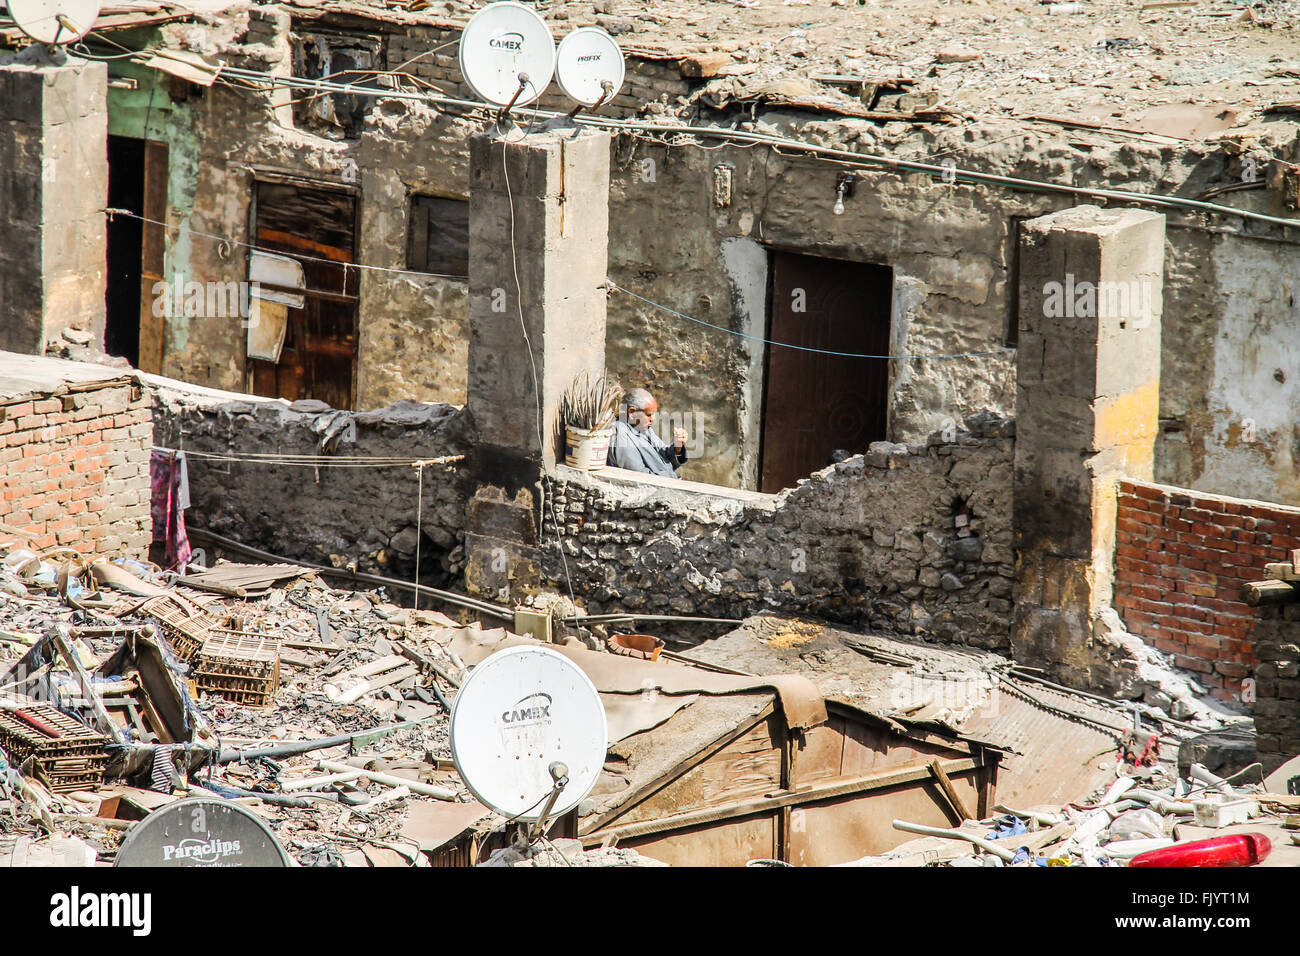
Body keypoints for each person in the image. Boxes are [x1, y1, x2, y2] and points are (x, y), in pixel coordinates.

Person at [607, 387, 688, 478]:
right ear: (632, 413)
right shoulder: (621, 437)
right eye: (649, 415)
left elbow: (663, 456)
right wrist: (671, 478)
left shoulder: (643, 428)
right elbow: (640, 478)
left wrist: (677, 448)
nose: (653, 419)